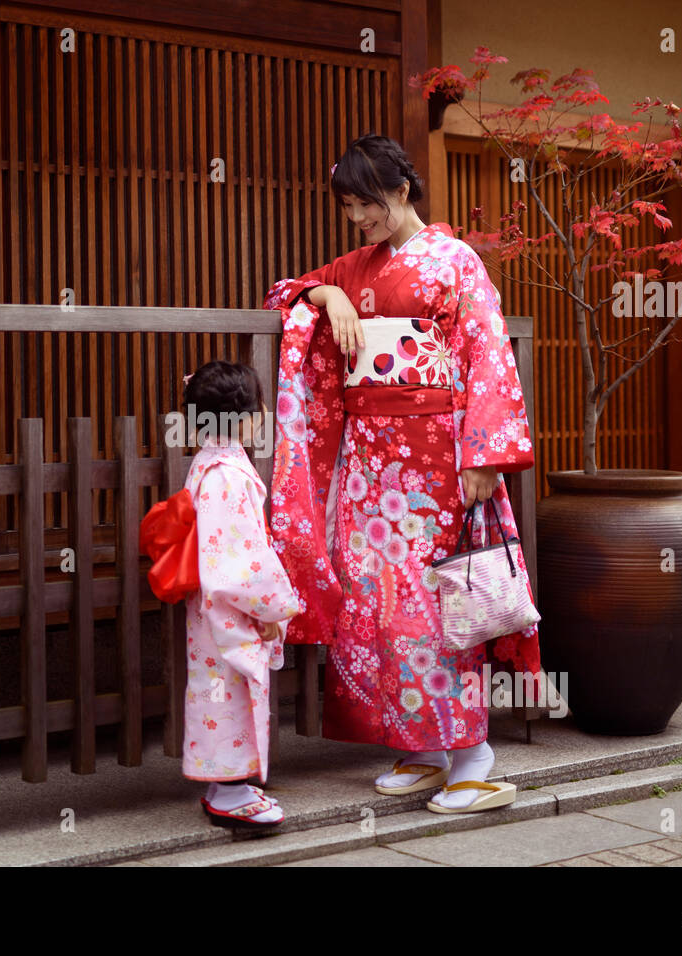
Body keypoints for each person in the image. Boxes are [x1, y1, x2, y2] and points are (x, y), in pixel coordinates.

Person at [263, 134, 542, 813]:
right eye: (352, 208)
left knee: (439, 601)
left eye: (369, 205)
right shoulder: (356, 267)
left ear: (403, 191)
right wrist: (329, 295)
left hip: (435, 455)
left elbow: (485, 353)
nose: (361, 220)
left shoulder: (455, 261)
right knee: (376, 602)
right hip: (368, 462)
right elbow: (283, 292)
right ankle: (424, 747)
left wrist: (485, 455)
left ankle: (474, 757)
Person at [179, 360, 302, 828]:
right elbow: (242, 558)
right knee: (227, 690)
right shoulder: (227, 475)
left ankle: (230, 782)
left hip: (214, 606)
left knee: (221, 690)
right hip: (229, 606)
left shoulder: (214, 463)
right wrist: (268, 608)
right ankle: (226, 791)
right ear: (249, 419)